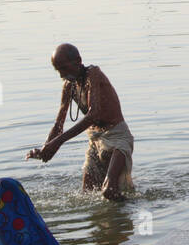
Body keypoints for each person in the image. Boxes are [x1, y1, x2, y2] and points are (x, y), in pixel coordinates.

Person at [26, 44, 135, 200]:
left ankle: (133, 207)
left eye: (64, 68)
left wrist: (57, 143)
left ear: (78, 61)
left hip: (117, 137)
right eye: (58, 70)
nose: (62, 74)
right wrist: (46, 149)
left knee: (109, 190)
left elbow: (93, 114)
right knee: (87, 195)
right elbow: (58, 125)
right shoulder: (69, 86)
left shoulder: (93, 74)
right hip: (96, 141)